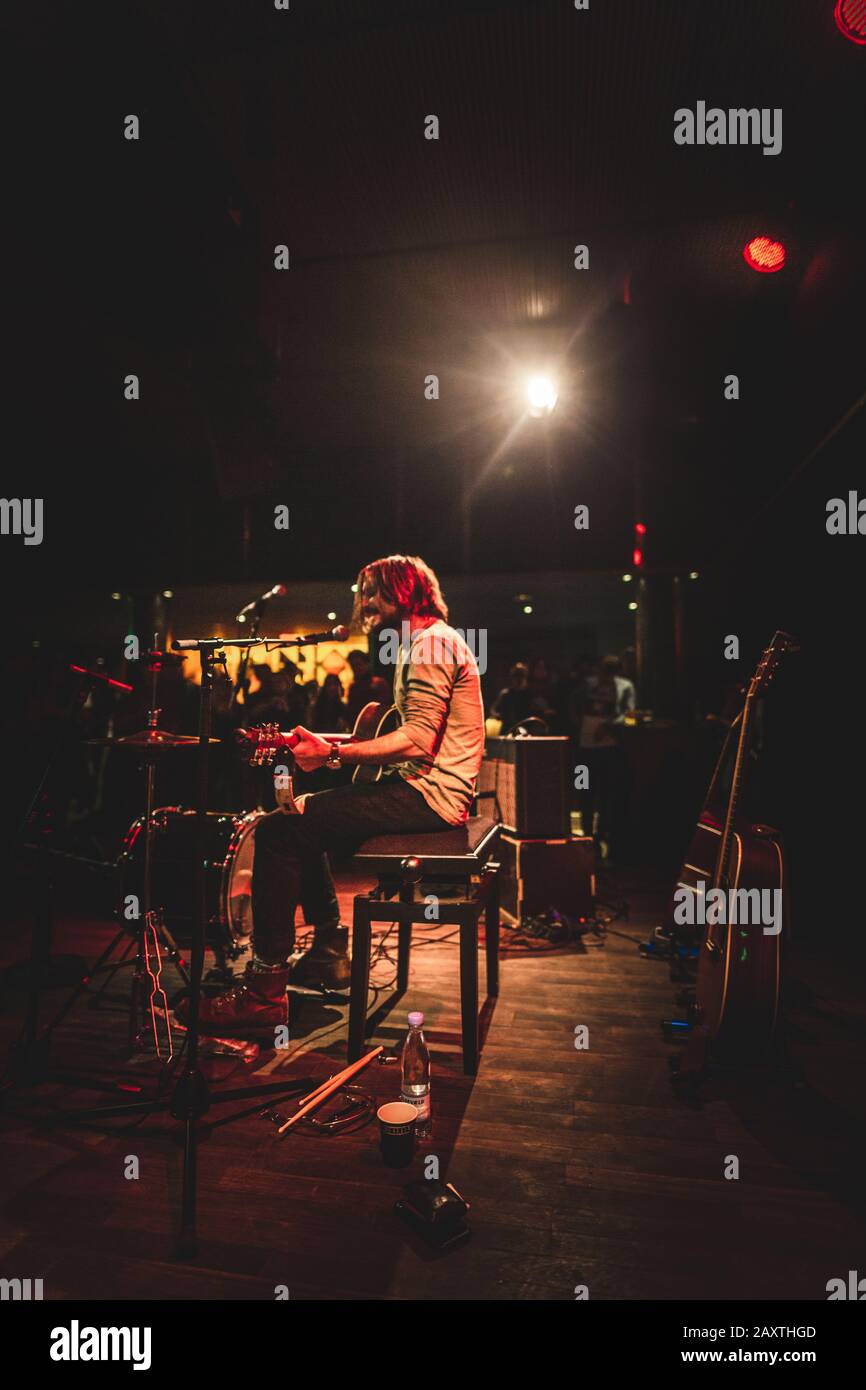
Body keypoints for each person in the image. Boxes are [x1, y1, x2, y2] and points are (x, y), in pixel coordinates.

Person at [176, 555, 485, 1034]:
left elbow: (418, 740)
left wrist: (334, 757)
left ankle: (264, 994)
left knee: (280, 831)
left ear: (402, 590)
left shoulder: (430, 645)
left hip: (431, 795)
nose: (362, 604)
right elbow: (411, 733)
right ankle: (326, 949)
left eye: (370, 591)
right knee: (304, 815)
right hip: (428, 788)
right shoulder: (427, 643)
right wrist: (328, 744)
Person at [577, 654, 635, 859]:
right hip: (585, 745)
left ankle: (602, 837)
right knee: (585, 791)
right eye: (605, 671)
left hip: (609, 746)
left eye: (612, 672)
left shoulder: (624, 686)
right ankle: (586, 835)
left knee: (605, 793)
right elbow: (575, 706)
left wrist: (608, 725)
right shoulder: (588, 684)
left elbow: (629, 712)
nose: (608, 676)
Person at [345, 648, 391, 725]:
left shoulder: (378, 683)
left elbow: (384, 710)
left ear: (366, 664)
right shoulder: (353, 687)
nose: (356, 668)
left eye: (359, 664)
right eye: (353, 665)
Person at [490, 661, 533, 732]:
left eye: (521, 675)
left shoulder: (530, 694)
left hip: (525, 730)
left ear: (525, 676)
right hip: (507, 730)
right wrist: (497, 715)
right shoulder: (505, 694)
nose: (519, 678)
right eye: (516, 675)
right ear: (512, 677)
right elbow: (493, 709)